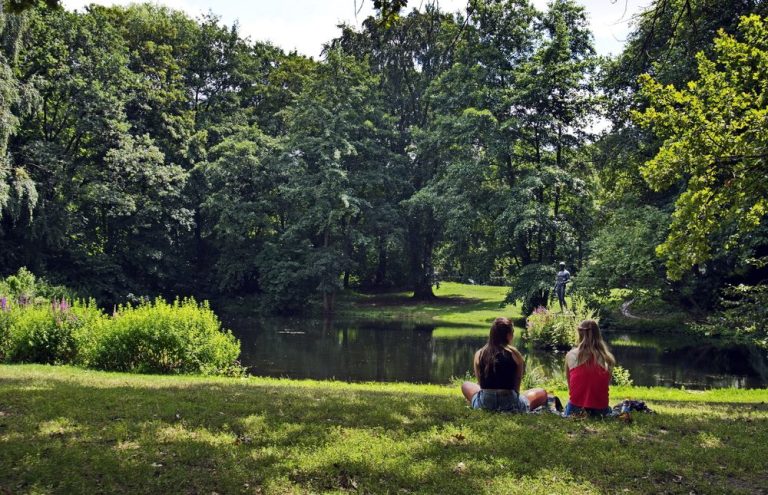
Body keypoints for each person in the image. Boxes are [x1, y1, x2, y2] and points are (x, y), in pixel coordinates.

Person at [461, 317, 548, 412]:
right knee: (542, 393)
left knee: (466, 385)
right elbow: (516, 385)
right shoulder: (515, 354)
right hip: (510, 403)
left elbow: (481, 385)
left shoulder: (480, 353)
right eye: (512, 332)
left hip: (485, 403)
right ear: (508, 335)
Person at [563, 319, 615, 417]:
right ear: (598, 334)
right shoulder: (607, 358)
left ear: (579, 333)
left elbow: (571, 387)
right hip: (600, 411)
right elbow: (605, 385)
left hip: (576, 409)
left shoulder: (571, 355)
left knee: (568, 406)